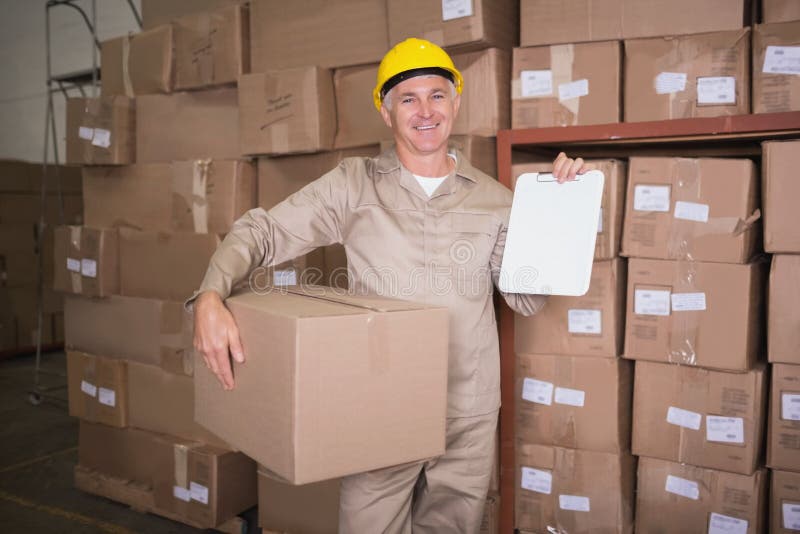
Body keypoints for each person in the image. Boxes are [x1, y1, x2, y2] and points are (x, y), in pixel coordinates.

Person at [191, 38, 591, 533]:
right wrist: (210, 294)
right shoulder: (352, 186)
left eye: (437, 95)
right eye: (408, 98)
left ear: (456, 102)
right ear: (385, 110)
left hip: (467, 408)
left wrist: (557, 212)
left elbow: (526, 297)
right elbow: (263, 232)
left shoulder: (496, 200)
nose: (425, 111)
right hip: (383, 403)